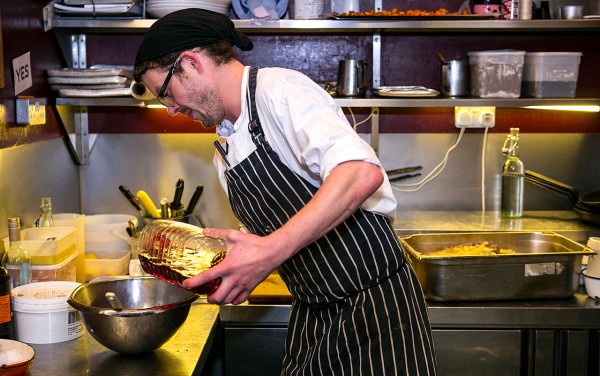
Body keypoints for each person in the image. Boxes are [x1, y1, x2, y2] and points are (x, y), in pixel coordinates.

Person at [133, 9, 436, 375]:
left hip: (376, 312)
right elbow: (276, 232)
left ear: (191, 63)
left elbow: (360, 173)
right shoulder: (227, 147)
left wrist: (268, 252)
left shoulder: (281, 92)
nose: (170, 109)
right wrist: (240, 260)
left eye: (165, 93)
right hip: (314, 313)